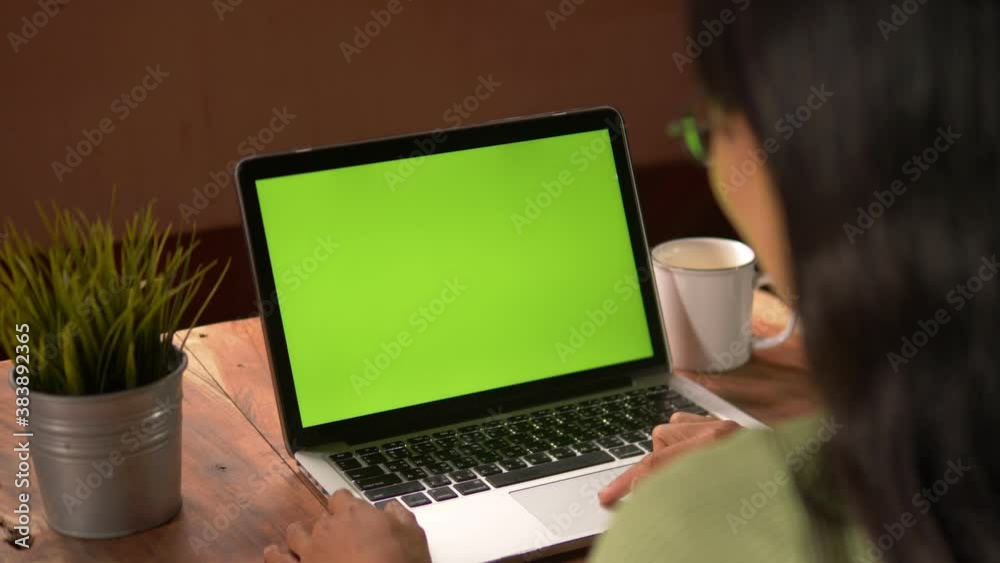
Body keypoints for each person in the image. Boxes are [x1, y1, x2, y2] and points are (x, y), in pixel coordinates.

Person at [264, 0, 999, 561]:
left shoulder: (691, 529)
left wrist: (744, 484)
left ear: (803, 157)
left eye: (713, 124)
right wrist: (773, 460)